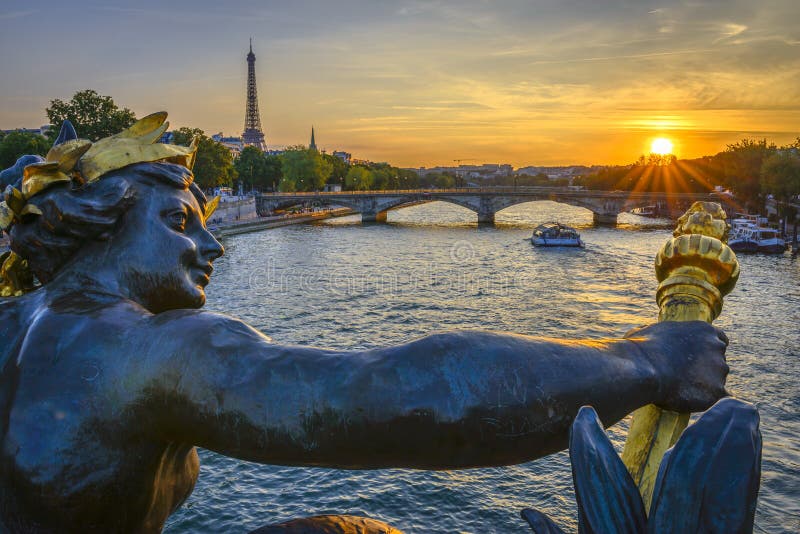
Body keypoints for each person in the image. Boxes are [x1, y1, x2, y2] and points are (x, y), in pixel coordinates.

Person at [0, 116, 728, 532]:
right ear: (103, 224)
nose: (210, 243)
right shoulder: (146, 349)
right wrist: (646, 360)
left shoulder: (15, 324)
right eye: (180, 220)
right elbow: (417, 397)